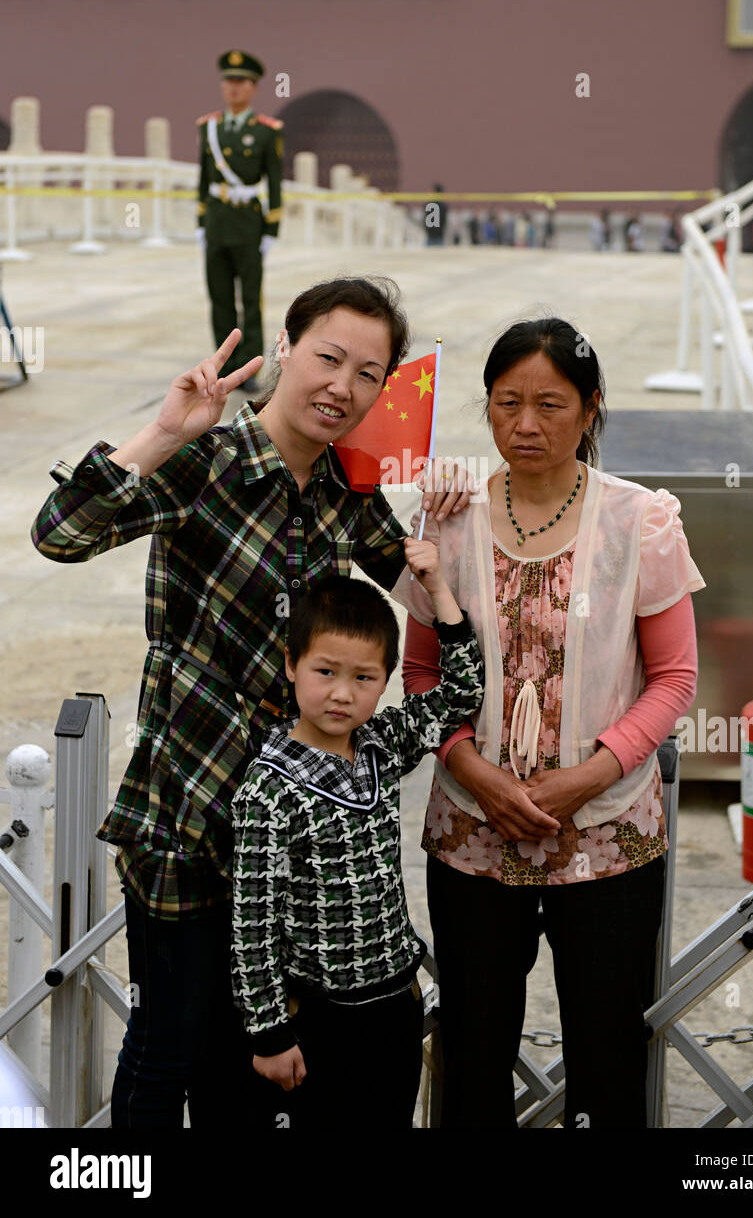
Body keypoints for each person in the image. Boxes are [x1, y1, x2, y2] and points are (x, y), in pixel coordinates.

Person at [30, 275, 473, 1130]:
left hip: (286, 837)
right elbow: (60, 534)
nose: (342, 386)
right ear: (287, 347)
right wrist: (163, 431)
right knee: (170, 1043)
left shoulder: (348, 489)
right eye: (328, 358)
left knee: (243, 1067)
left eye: (369, 373)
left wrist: (443, 521)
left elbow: (419, 597)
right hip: (191, 812)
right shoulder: (209, 461)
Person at [394, 317, 706, 1129]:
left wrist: (590, 773)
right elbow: (422, 672)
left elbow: (674, 677)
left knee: (607, 1053)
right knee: (469, 1046)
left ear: (591, 408)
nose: (525, 425)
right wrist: (469, 768)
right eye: (506, 404)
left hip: (606, 832)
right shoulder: (449, 519)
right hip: (473, 827)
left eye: (550, 405)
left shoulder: (639, 522)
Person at [231, 558, 484, 1129]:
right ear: (292, 666)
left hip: (396, 1003)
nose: (342, 694)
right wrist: (269, 1034)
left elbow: (463, 689)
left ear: (387, 677)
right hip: (316, 1017)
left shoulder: (381, 746)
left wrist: (438, 588)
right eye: (325, 672)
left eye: (364, 678)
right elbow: (252, 926)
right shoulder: (268, 791)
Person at [197, 49, 284, 387]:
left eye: (240, 82)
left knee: (250, 299)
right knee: (219, 297)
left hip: (249, 223)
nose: (233, 88)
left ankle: (248, 367)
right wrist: (201, 223)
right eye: (228, 82)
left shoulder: (266, 131)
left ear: (254, 88)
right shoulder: (208, 128)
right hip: (217, 221)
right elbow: (203, 179)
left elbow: (275, 182)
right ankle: (223, 362)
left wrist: (272, 228)